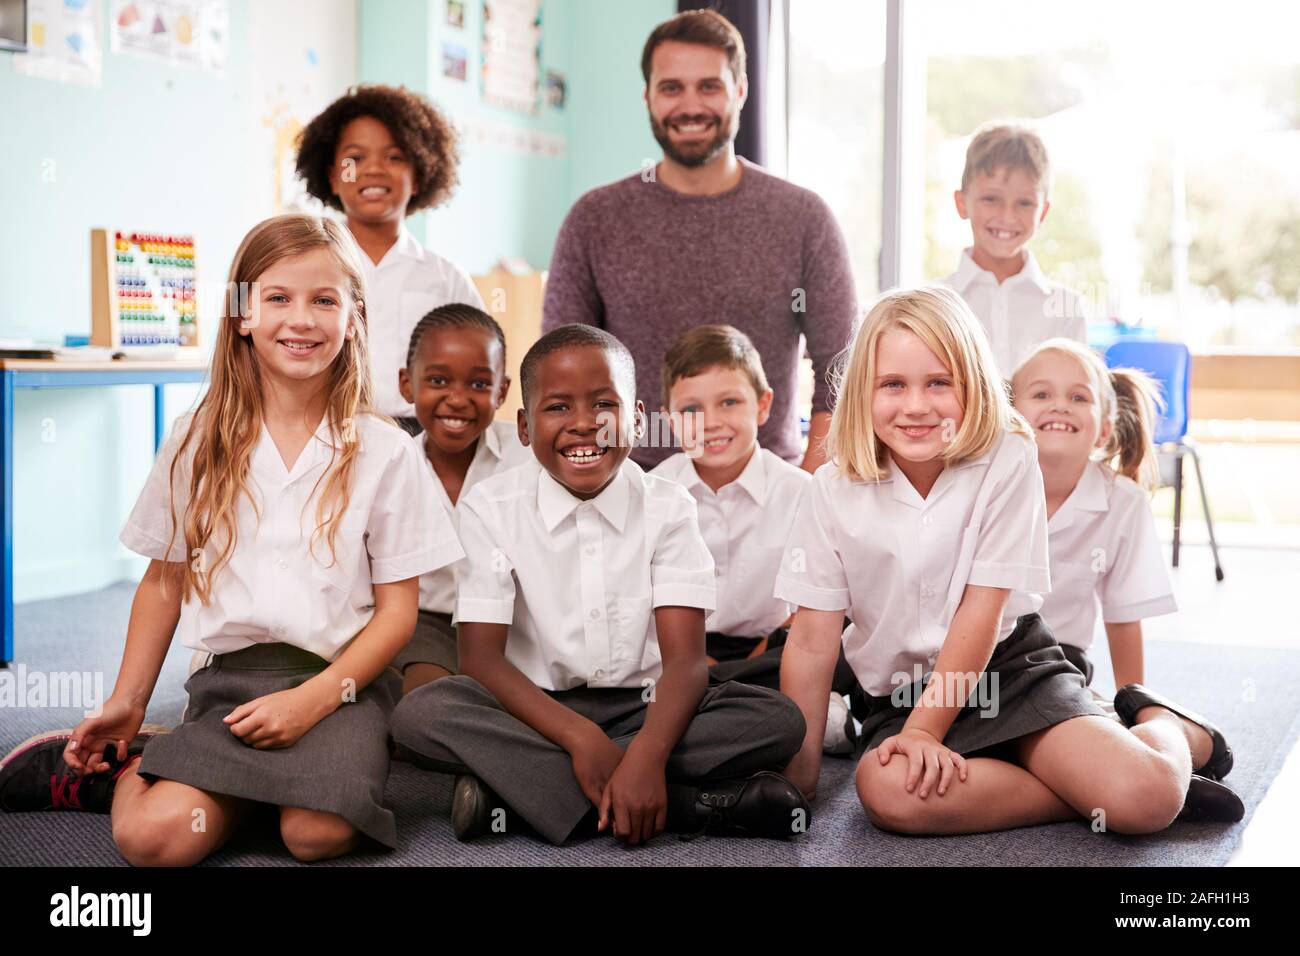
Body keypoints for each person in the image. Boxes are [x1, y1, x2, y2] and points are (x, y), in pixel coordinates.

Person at [0, 215, 463, 861]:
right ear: (242, 314)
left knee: (317, 836)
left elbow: (398, 614)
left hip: (341, 686)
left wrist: (312, 701)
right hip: (229, 683)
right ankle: (137, 767)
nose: (300, 319)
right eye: (278, 298)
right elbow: (164, 582)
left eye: (324, 300)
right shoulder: (197, 438)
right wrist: (126, 703)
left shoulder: (386, 449)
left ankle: (234, 790)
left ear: (354, 318)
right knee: (153, 841)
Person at [776, 285, 1243, 834]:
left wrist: (926, 733)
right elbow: (811, 640)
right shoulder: (830, 489)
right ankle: (1077, 790)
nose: (916, 405)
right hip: (900, 697)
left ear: (971, 386)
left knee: (1147, 801)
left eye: (939, 383)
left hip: (1012, 674)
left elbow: (982, 611)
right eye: (893, 384)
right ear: (862, 392)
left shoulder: (1008, 457)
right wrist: (799, 778)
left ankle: (1163, 721)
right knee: (886, 793)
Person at [389, 324, 810, 846]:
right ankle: (684, 805)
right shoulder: (492, 510)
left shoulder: (670, 508)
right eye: (558, 407)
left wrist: (648, 753)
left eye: (604, 405)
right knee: (422, 713)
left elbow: (683, 663)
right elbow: (481, 661)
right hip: (534, 710)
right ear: (524, 426)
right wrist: (583, 740)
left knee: (778, 719)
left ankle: (525, 794)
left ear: (635, 419)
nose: (584, 425)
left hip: (647, 706)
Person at [543, 9, 856, 471]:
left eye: (709, 86)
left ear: (741, 91)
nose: (690, 106)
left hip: (768, 493)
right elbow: (560, 370)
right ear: (648, 96)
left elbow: (841, 372)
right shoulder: (595, 218)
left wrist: (808, 492)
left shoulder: (804, 217)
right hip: (632, 489)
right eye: (672, 88)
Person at [296, 84, 484, 431]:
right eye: (355, 159)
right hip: (326, 429)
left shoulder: (446, 279)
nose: (374, 169)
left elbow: (479, 366)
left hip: (423, 440)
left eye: (394, 157)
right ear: (333, 178)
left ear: (419, 177)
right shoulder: (306, 268)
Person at [391, 303, 531, 697]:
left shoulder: (529, 459)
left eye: (479, 384)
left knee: (518, 696)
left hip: (512, 623)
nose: (457, 399)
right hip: (426, 625)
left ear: (502, 391)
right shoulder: (390, 465)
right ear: (406, 384)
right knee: (426, 700)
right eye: (438, 380)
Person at [943, 123, 1088, 378]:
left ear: (1042, 212)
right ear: (961, 203)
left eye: (1024, 203)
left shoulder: (1066, 308)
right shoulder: (935, 303)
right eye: (991, 199)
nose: (1007, 217)